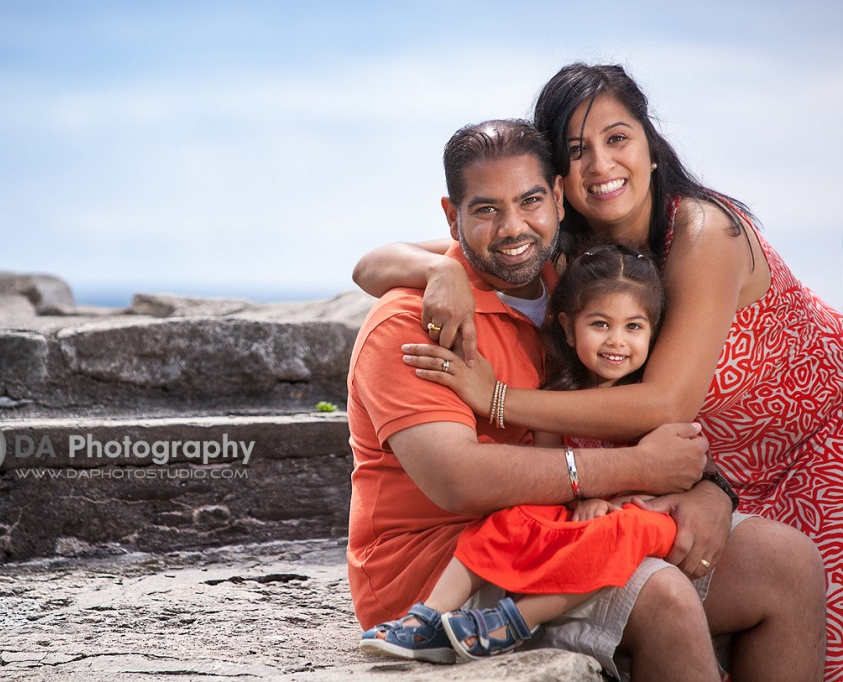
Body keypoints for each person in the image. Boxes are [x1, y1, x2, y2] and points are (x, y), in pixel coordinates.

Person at [354, 63, 842, 679]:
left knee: (788, 564)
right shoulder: (421, 319)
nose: (513, 227)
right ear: (454, 217)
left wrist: (711, 490)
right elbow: (458, 479)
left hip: (803, 449)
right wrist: (440, 271)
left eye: (530, 201)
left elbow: (662, 407)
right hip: (453, 563)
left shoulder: (582, 271)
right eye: (579, 149)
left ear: (554, 198)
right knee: (661, 594)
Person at [360, 245, 683, 664]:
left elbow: (680, 465)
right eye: (600, 324)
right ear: (569, 329)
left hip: (630, 514)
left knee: (632, 531)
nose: (616, 341)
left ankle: (515, 620)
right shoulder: (556, 395)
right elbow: (545, 470)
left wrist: (619, 499)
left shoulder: (651, 397)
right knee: (510, 518)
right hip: (572, 509)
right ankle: (427, 617)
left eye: (634, 327)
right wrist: (582, 498)